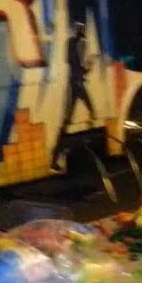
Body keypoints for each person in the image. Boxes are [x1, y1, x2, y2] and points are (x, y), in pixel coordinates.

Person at [53, 21, 97, 172]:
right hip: (77, 84)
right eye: (82, 30)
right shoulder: (78, 44)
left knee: (69, 120)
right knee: (89, 113)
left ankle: (56, 157)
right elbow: (80, 67)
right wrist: (90, 64)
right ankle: (57, 157)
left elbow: (72, 63)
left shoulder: (71, 43)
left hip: (74, 84)